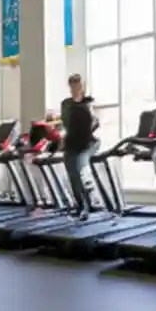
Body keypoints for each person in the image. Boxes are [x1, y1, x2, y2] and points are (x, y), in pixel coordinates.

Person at [59, 74, 99, 218]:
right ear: (70, 87)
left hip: (88, 141)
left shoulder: (89, 103)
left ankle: (90, 201)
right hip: (72, 142)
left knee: (80, 166)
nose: (76, 88)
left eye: (79, 85)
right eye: (73, 85)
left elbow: (95, 122)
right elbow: (66, 123)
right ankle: (81, 204)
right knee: (72, 173)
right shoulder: (66, 104)